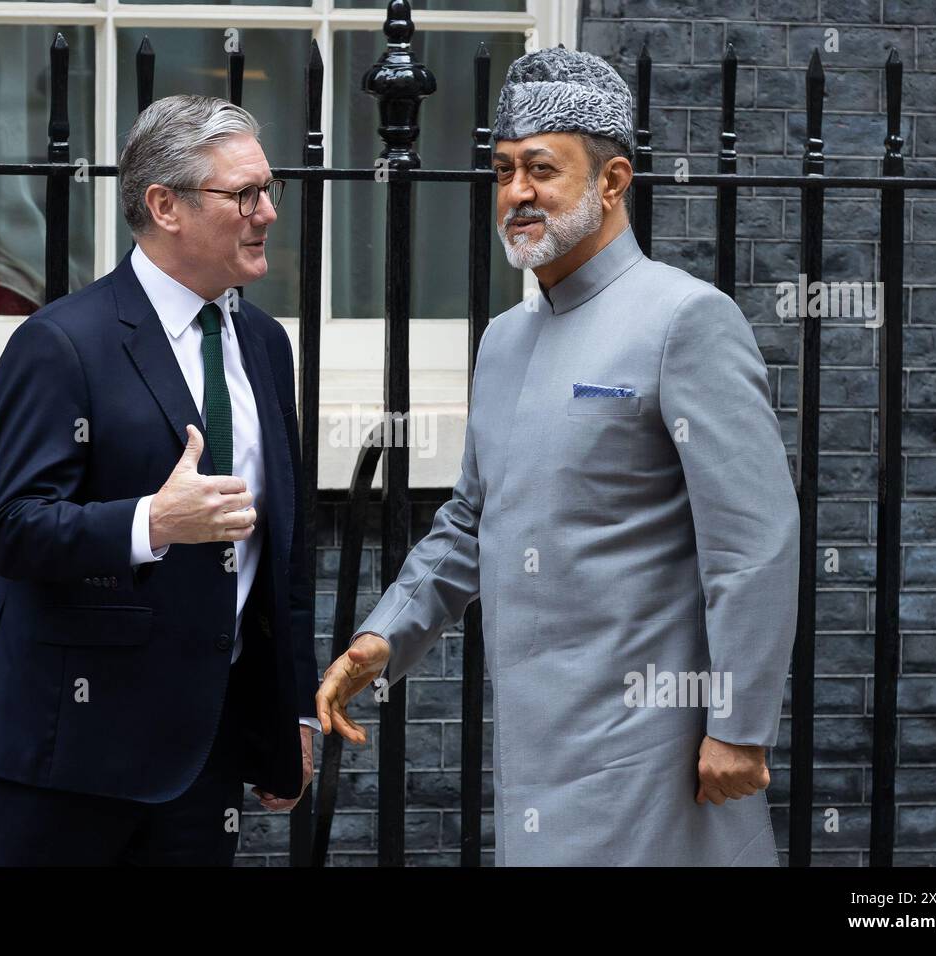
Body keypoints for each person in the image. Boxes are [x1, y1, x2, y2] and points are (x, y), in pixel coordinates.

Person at [316, 48, 800, 866]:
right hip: (537, 750)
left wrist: (740, 725)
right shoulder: (506, 341)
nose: (515, 194)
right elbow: (472, 521)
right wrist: (384, 637)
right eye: (503, 171)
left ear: (613, 181)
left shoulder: (686, 319)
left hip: (657, 749)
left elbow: (753, 538)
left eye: (541, 169)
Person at [0, 94, 318, 865]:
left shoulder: (262, 342)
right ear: (165, 206)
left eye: (268, 191)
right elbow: (15, 530)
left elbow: (285, 548)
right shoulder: (62, 343)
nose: (266, 214)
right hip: (65, 763)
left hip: (203, 759)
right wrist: (150, 522)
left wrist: (293, 711)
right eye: (243, 195)